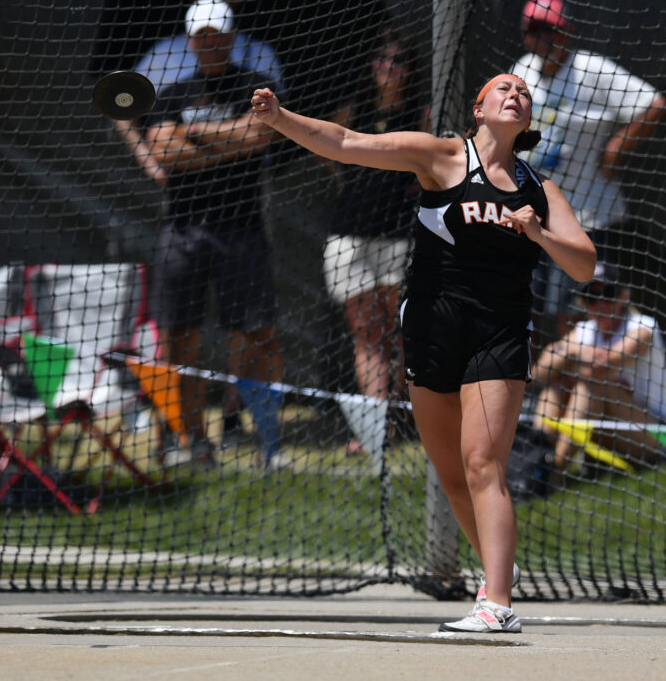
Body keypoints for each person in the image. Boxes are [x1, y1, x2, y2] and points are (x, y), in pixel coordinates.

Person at [250, 73, 597, 632]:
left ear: (528, 120)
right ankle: (493, 579)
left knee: (485, 462)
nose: (516, 95)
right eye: (504, 89)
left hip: (500, 329)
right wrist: (280, 119)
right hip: (434, 324)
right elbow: (345, 142)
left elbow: (583, 264)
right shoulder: (440, 156)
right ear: (478, 108)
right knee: (452, 472)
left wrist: (539, 235)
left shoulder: (541, 190)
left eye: (524, 94)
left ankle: (499, 604)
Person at [144, 0, 284, 466]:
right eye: (202, 36)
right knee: (181, 340)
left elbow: (259, 137)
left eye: (218, 35)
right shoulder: (170, 94)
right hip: (182, 231)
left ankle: (266, 441)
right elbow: (161, 151)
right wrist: (226, 139)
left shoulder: (256, 86)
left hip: (241, 230)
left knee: (258, 333)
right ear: (190, 40)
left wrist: (196, 136)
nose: (210, 43)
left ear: (231, 36)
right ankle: (191, 441)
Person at [508, 0, 666, 341]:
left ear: (568, 32)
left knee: (578, 309)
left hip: (587, 217)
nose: (544, 40)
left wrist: (616, 149)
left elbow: (653, 103)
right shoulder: (521, 70)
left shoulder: (591, 69)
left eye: (552, 31)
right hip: (532, 214)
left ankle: (573, 390)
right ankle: (532, 388)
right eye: (535, 31)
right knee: (525, 307)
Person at [323, 32, 429, 454]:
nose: (389, 67)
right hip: (350, 235)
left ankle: (404, 416)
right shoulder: (353, 110)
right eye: (381, 59)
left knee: (401, 335)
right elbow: (328, 152)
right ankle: (375, 429)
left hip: (399, 238)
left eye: (398, 60)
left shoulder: (421, 113)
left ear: (409, 69)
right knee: (366, 336)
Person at [117, 0, 284, 189]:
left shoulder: (259, 53)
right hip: (185, 191)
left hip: (251, 184)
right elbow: (129, 109)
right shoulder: (165, 56)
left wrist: (193, 132)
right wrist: (147, 158)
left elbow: (268, 131)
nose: (210, 42)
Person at [532, 263, 666, 476]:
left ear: (623, 296)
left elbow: (604, 364)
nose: (601, 304)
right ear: (582, 303)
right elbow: (538, 374)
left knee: (592, 385)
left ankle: (553, 471)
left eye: (608, 294)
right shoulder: (584, 331)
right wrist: (572, 353)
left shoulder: (643, 327)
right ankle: (536, 458)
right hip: (613, 431)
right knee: (554, 388)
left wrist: (570, 353)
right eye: (591, 299)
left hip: (663, 439)